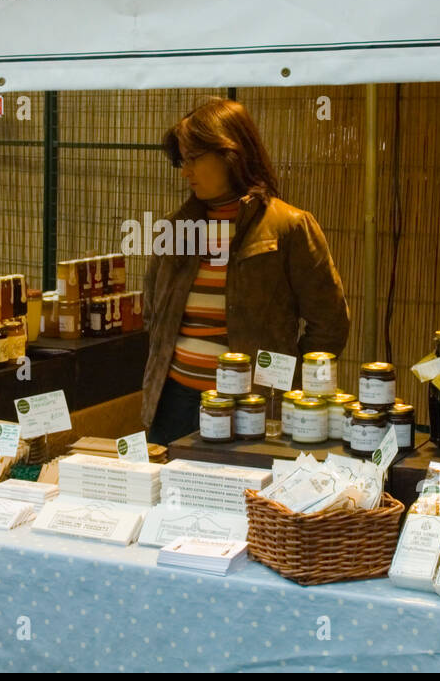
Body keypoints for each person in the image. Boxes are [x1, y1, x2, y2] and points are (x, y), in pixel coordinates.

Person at [142, 97, 351, 445]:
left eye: (194, 159)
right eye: (182, 160)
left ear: (230, 154)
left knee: (245, 482)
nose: (185, 172)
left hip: (252, 407)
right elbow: (152, 313)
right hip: (172, 402)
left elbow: (330, 324)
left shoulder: (289, 227)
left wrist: (284, 381)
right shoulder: (175, 229)